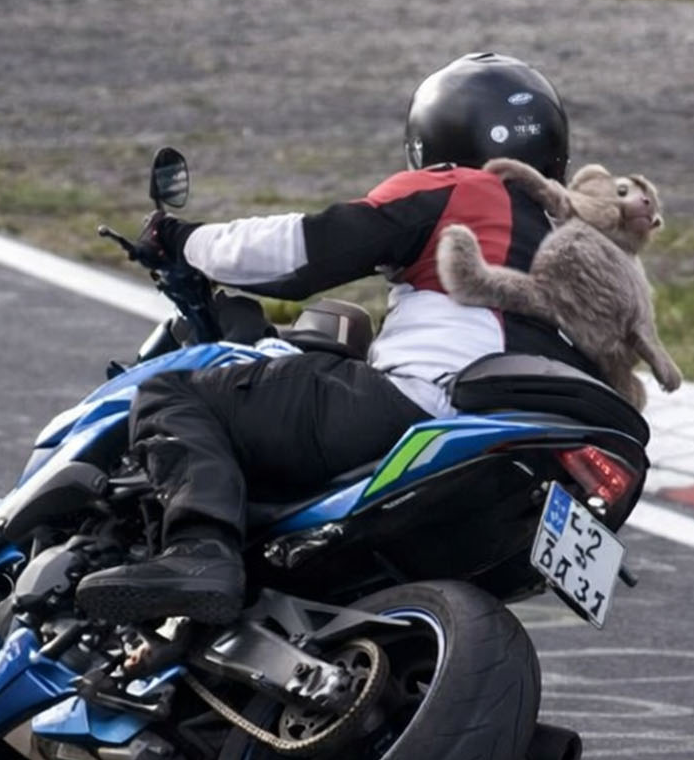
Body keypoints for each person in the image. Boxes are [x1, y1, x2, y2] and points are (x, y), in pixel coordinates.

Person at [75, 52, 603, 626]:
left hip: (434, 406)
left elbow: (305, 250)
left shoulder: (463, 189)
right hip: (566, 443)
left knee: (175, 395)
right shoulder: (587, 244)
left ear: (435, 139)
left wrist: (182, 240)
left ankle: (197, 552)